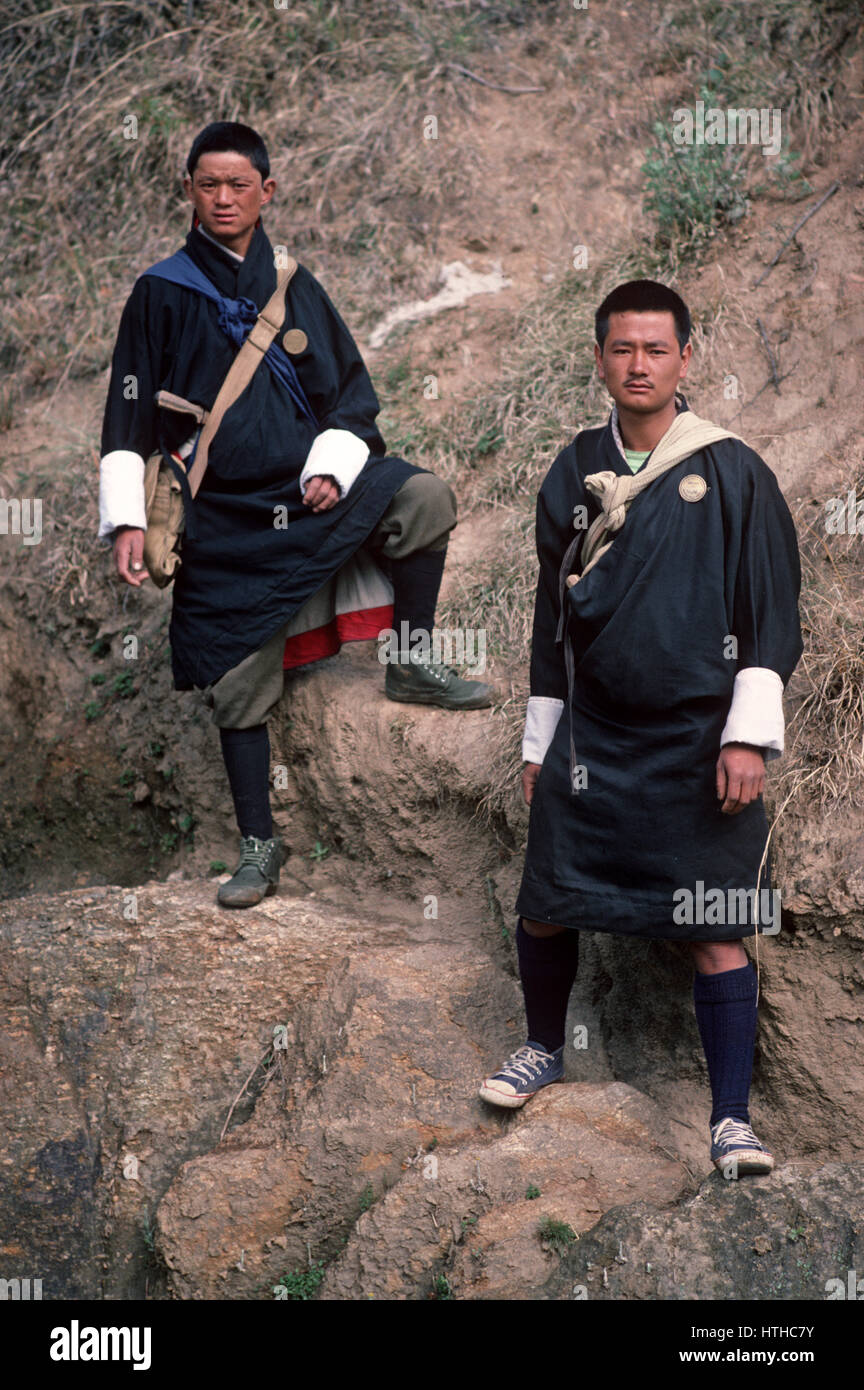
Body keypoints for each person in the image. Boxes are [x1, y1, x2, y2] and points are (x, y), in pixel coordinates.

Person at [98, 121, 492, 907]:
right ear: (188, 192)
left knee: (423, 496)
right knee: (237, 681)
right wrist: (129, 519)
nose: (222, 198)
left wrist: (330, 468)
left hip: (308, 501)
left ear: (267, 192)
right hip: (221, 519)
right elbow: (127, 417)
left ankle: (410, 660)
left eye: (238, 184)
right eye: (207, 184)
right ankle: (258, 843)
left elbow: (352, 400)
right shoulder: (160, 292)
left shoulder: (293, 283)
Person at [479, 280, 803, 1178]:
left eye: (656, 350)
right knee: (546, 905)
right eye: (622, 350)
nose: (639, 365)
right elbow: (555, 622)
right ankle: (543, 1046)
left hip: (701, 744)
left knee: (715, 926)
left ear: (686, 359)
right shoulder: (573, 469)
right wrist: (540, 742)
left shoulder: (733, 469)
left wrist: (748, 736)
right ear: (599, 361)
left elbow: (771, 612)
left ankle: (731, 1122)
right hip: (592, 740)